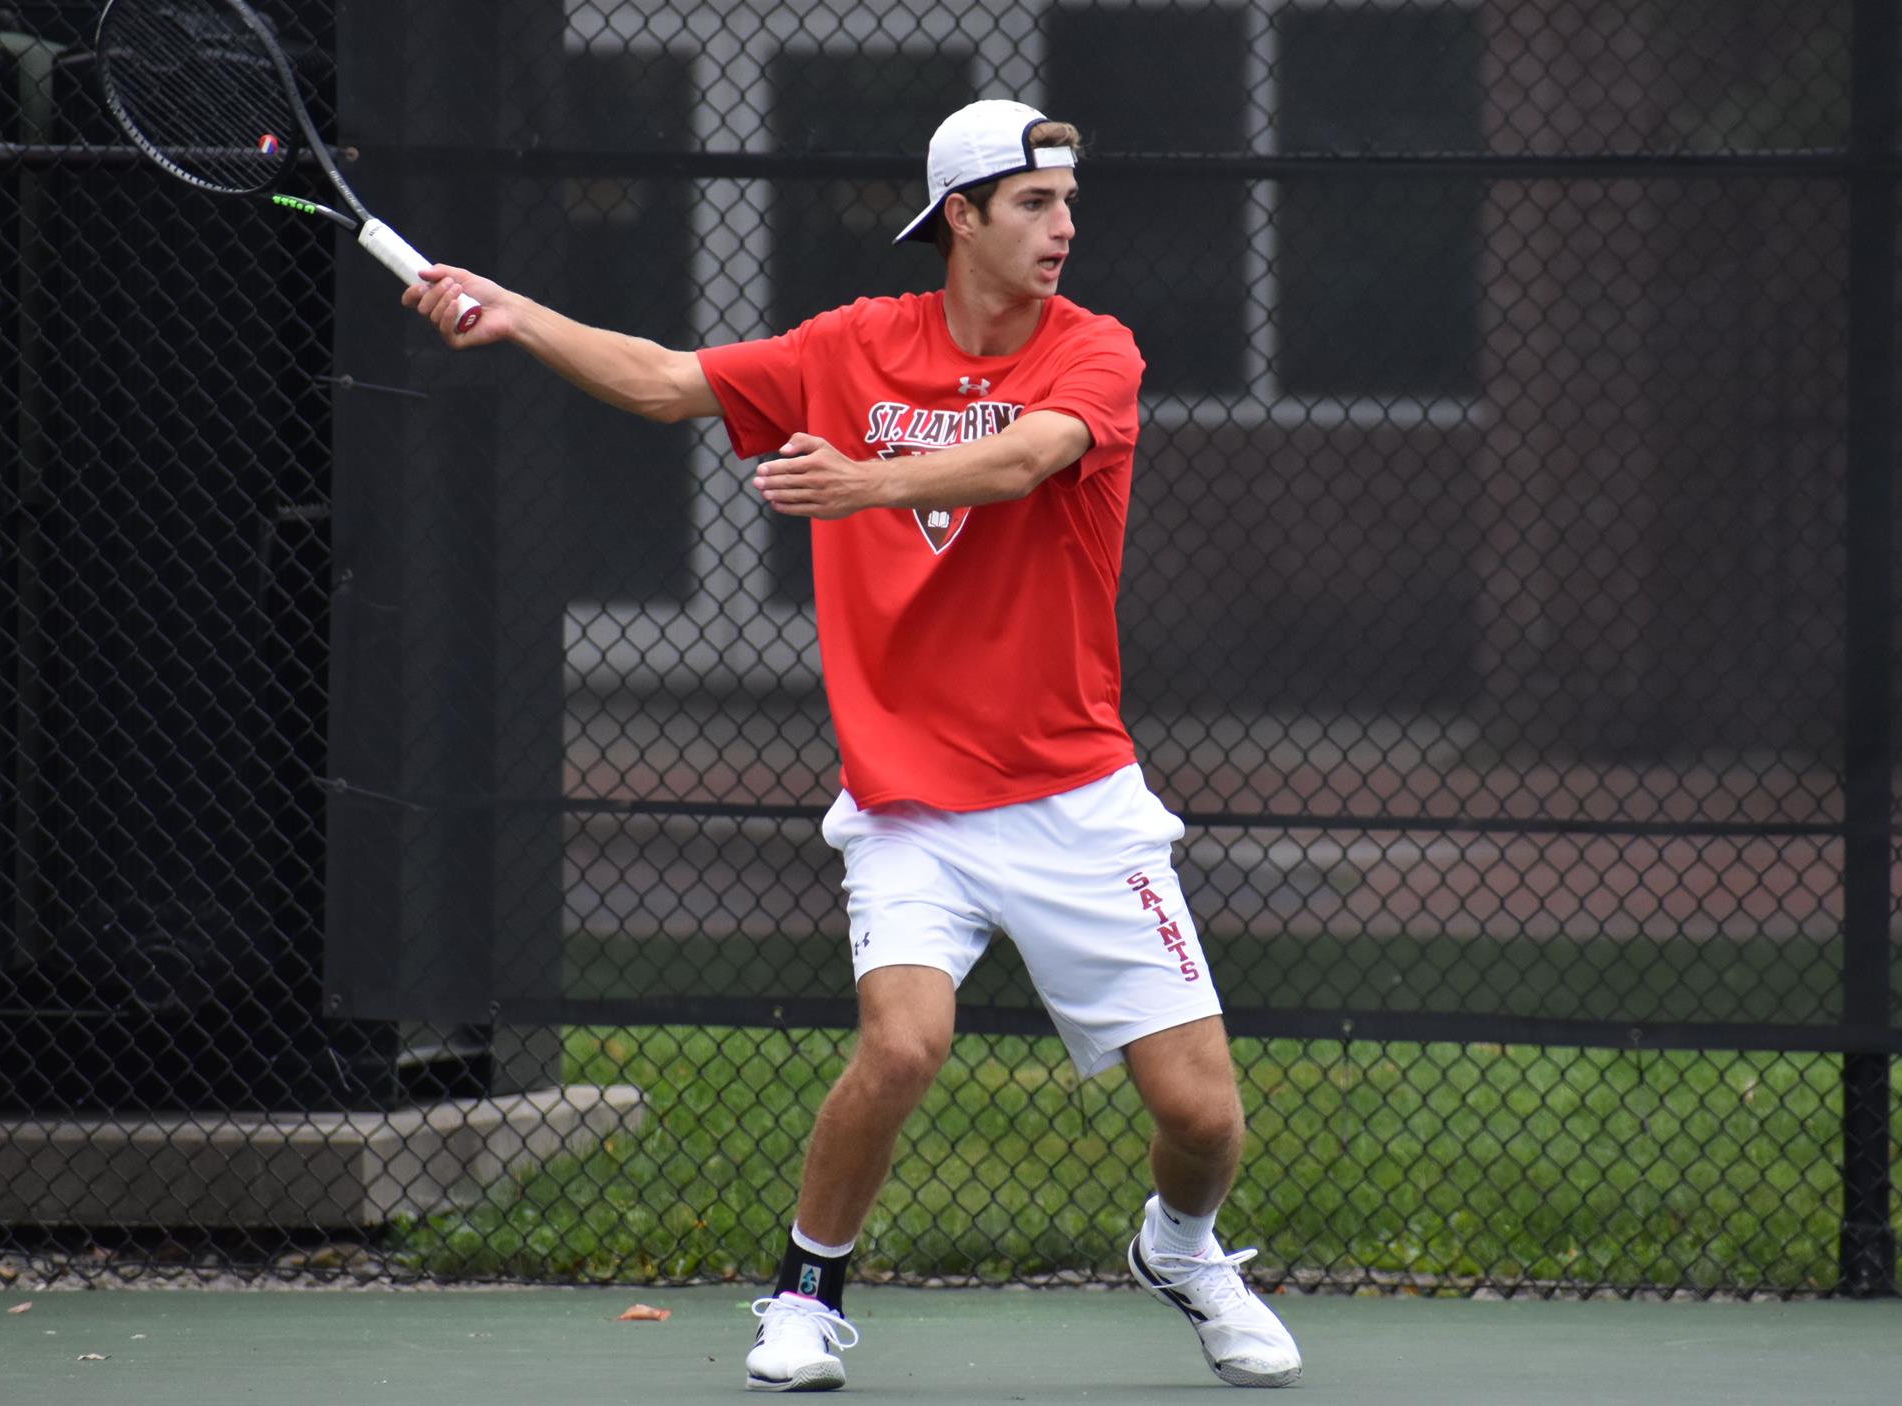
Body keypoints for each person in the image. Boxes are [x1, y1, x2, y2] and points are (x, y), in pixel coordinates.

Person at [403, 98, 1302, 1394]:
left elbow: (1029, 459)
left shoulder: (1096, 351)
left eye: (1069, 205)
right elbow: (665, 382)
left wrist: (865, 483)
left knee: (1204, 1115)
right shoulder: (849, 348)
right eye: (1035, 204)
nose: (1063, 228)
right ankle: (807, 1290)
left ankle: (1183, 1245)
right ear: (962, 218)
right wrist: (516, 312)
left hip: (1077, 794)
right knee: (902, 1045)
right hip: (908, 803)